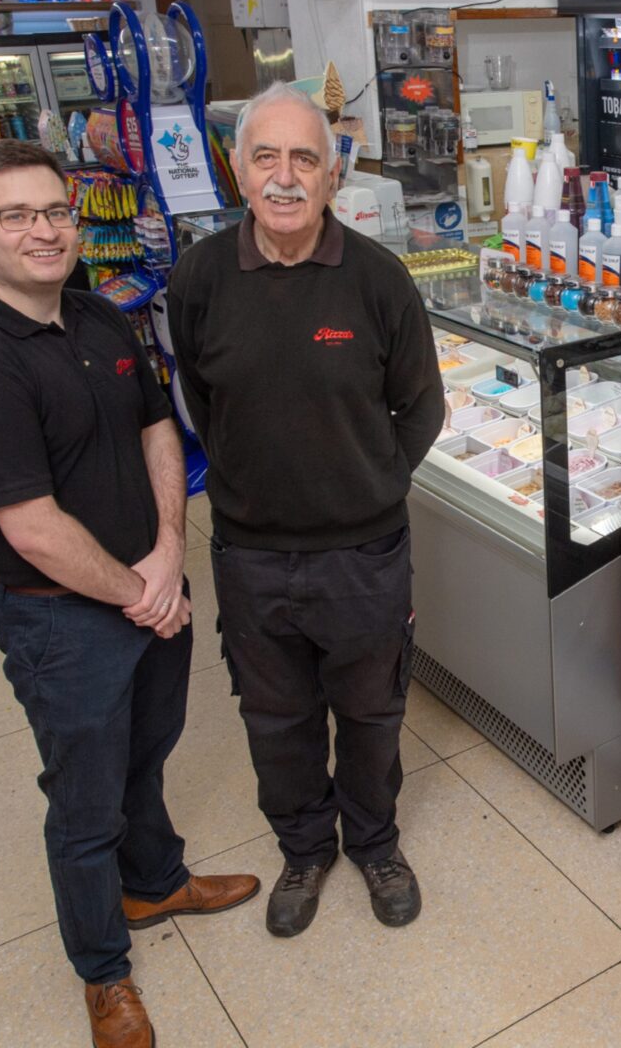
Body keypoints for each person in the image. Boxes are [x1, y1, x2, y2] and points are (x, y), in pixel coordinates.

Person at [0, 140, 259, 1048]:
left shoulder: (98, 315)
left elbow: (156, 428)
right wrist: (141, 594)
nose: (44, 231)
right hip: (62, 620)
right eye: (15, 216)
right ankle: (102, 974)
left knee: (146, 753)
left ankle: (156, 880)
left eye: (56, 212)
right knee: (83, 800)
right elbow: (29, 526)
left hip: (145, 583)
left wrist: (164, 550)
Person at [167, 82, 446, 939]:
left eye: (304, 159)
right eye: (266, 158)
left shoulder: (377, 279)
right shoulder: (201, 276)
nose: (285, 177)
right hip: (251, 557)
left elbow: (421, 409)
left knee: (371, 714)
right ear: (238, 170)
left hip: (363, 557)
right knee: (275, 718)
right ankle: (304, 849)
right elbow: (200, 400)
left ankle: (375, 843)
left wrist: (363, 487)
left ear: (332, 174)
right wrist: (255, 486)